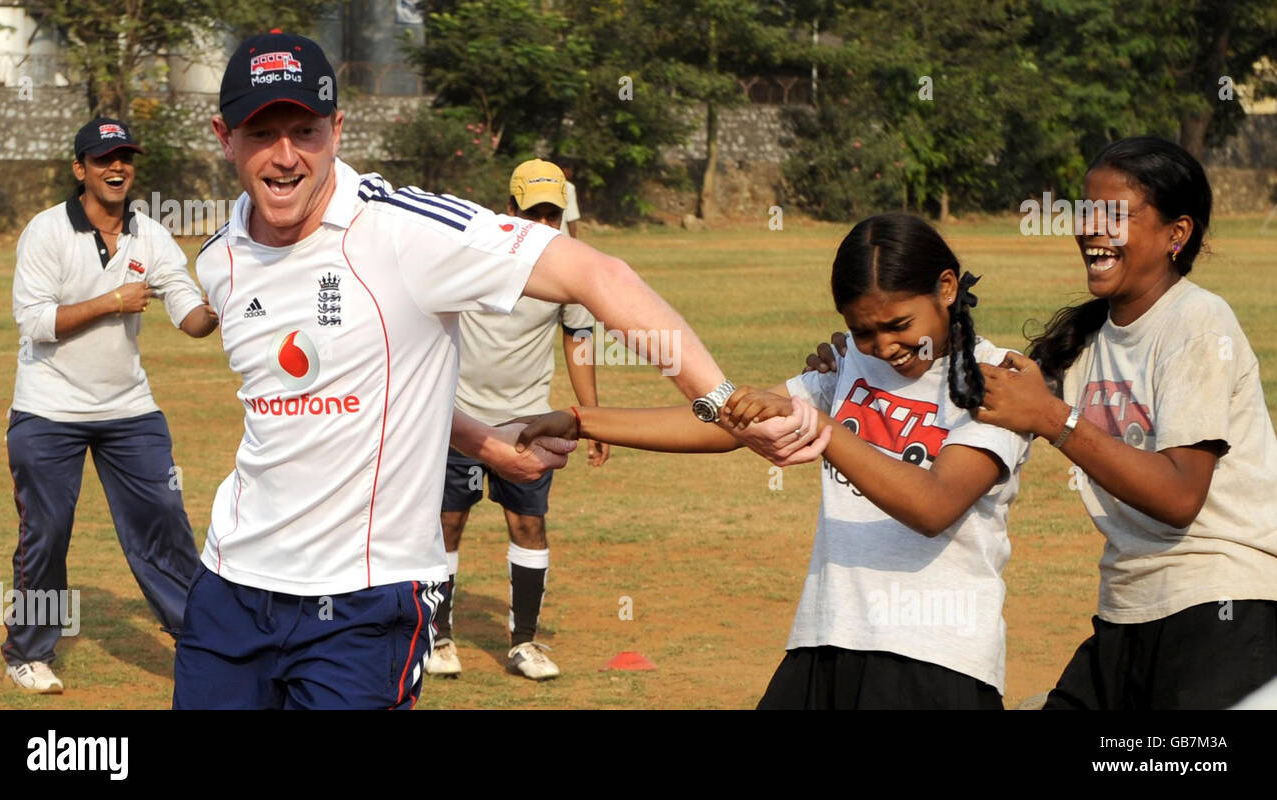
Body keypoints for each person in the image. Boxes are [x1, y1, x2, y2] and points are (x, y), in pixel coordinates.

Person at [176, 31, 799, 709]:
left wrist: (721, 401)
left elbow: (598, 275)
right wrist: (482, 441)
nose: (287, 156)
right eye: (262, 132)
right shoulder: (219, 258)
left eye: (307, 130)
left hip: (363, 603)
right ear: (224, 136)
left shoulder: (403, 230)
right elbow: (342, 392)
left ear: (338, 129)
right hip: (231, 588)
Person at [519, 213, 1033, 708]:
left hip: (938, 658)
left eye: (899, 324)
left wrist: (821, 426)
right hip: (829, 637)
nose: (884, 346)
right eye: (863, 331)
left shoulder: (999, 382)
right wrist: (584, 419)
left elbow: (933, 506)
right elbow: (731, 424)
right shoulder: (850, 365)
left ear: (946, 289)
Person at [973, 136, 1277, 709]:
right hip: (1128, 611)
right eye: (1086, 213)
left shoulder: (1197, 321)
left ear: (1176, 234)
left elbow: (1180, 494)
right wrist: (853, 364)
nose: (1091, 229)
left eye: (1115, 214)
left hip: (1222, 608)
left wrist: (1055, 419)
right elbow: (985, 390)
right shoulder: (1084, 342)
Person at [5, 117, 220, 694]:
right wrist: (111, 302)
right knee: (46, 533)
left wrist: (216, 313)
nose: (117, 167)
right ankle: (28, 651)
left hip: (129, 410)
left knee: (164, 527)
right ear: (81, 170)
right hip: (48, 410)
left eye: (124, 157)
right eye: (103, 159)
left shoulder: (150, 235)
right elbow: (34, 322)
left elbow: (184, 305)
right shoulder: (47, 232)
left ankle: (200, 640)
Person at [428, 160, 607, 681]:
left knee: (529, 525)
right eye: (534, 213)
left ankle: (525, 643)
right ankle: (438, 638)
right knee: (445, 525)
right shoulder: (473, 254)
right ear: (510, 210)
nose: (543, 225)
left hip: (530, 423)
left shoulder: (568, 270)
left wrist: (589, 420)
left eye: (552, 215)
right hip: (458, 420)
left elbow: (579, 339)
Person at [557, 159, 580, 239]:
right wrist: (574, 241)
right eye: (571, 170)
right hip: (562, 237)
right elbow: (571, 217)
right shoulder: (568, 187)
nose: (572, 173)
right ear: (564, 169)